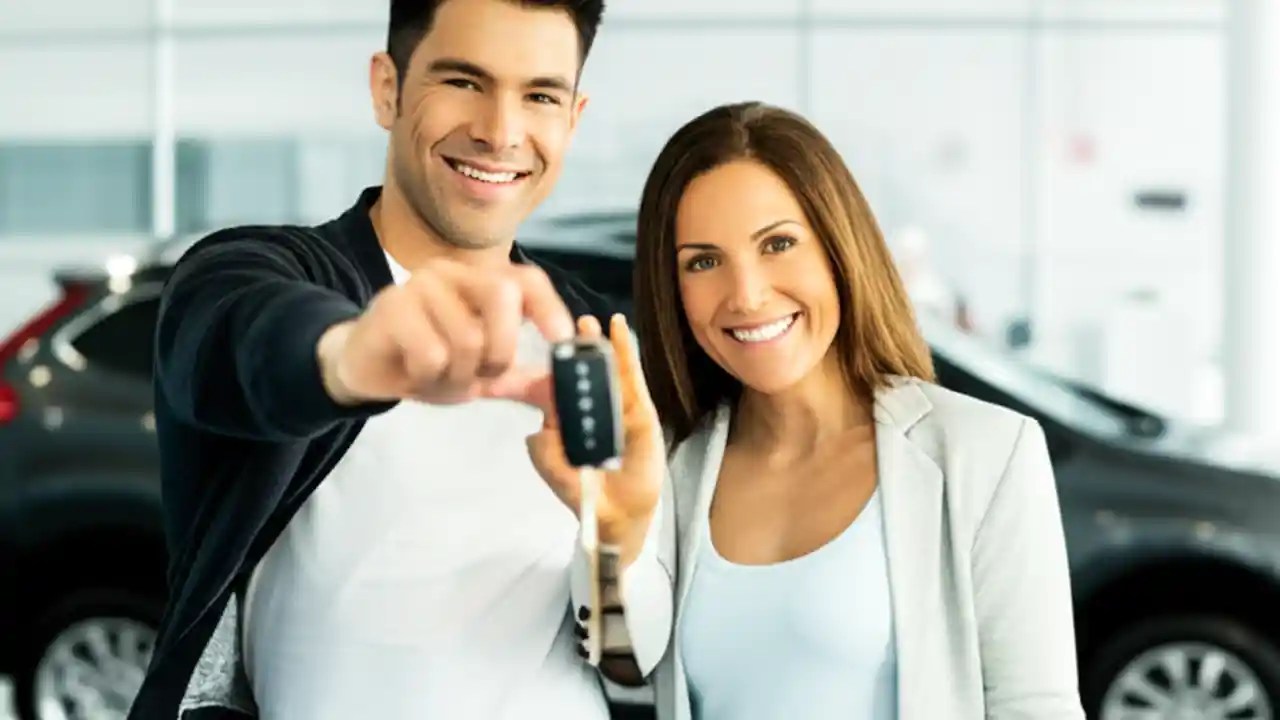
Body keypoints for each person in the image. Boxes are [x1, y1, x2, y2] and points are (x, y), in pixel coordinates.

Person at [126, 0, 672, 718]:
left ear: (572, 117)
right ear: (388, 89)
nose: (500, 131)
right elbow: (243, 340)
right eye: (464, 82)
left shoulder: (593, 340)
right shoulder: (277, 275)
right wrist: (353, 355)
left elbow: (629, 665)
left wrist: (616, 543)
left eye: (539, 95)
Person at [583, 101, 1085, 718]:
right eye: (704, 261)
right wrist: (613, 536)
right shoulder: (671, 462)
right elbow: (625, 664)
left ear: (838, 249)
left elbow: (1036, 706)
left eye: (778, 244)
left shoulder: (984, 452)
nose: (746, 294)